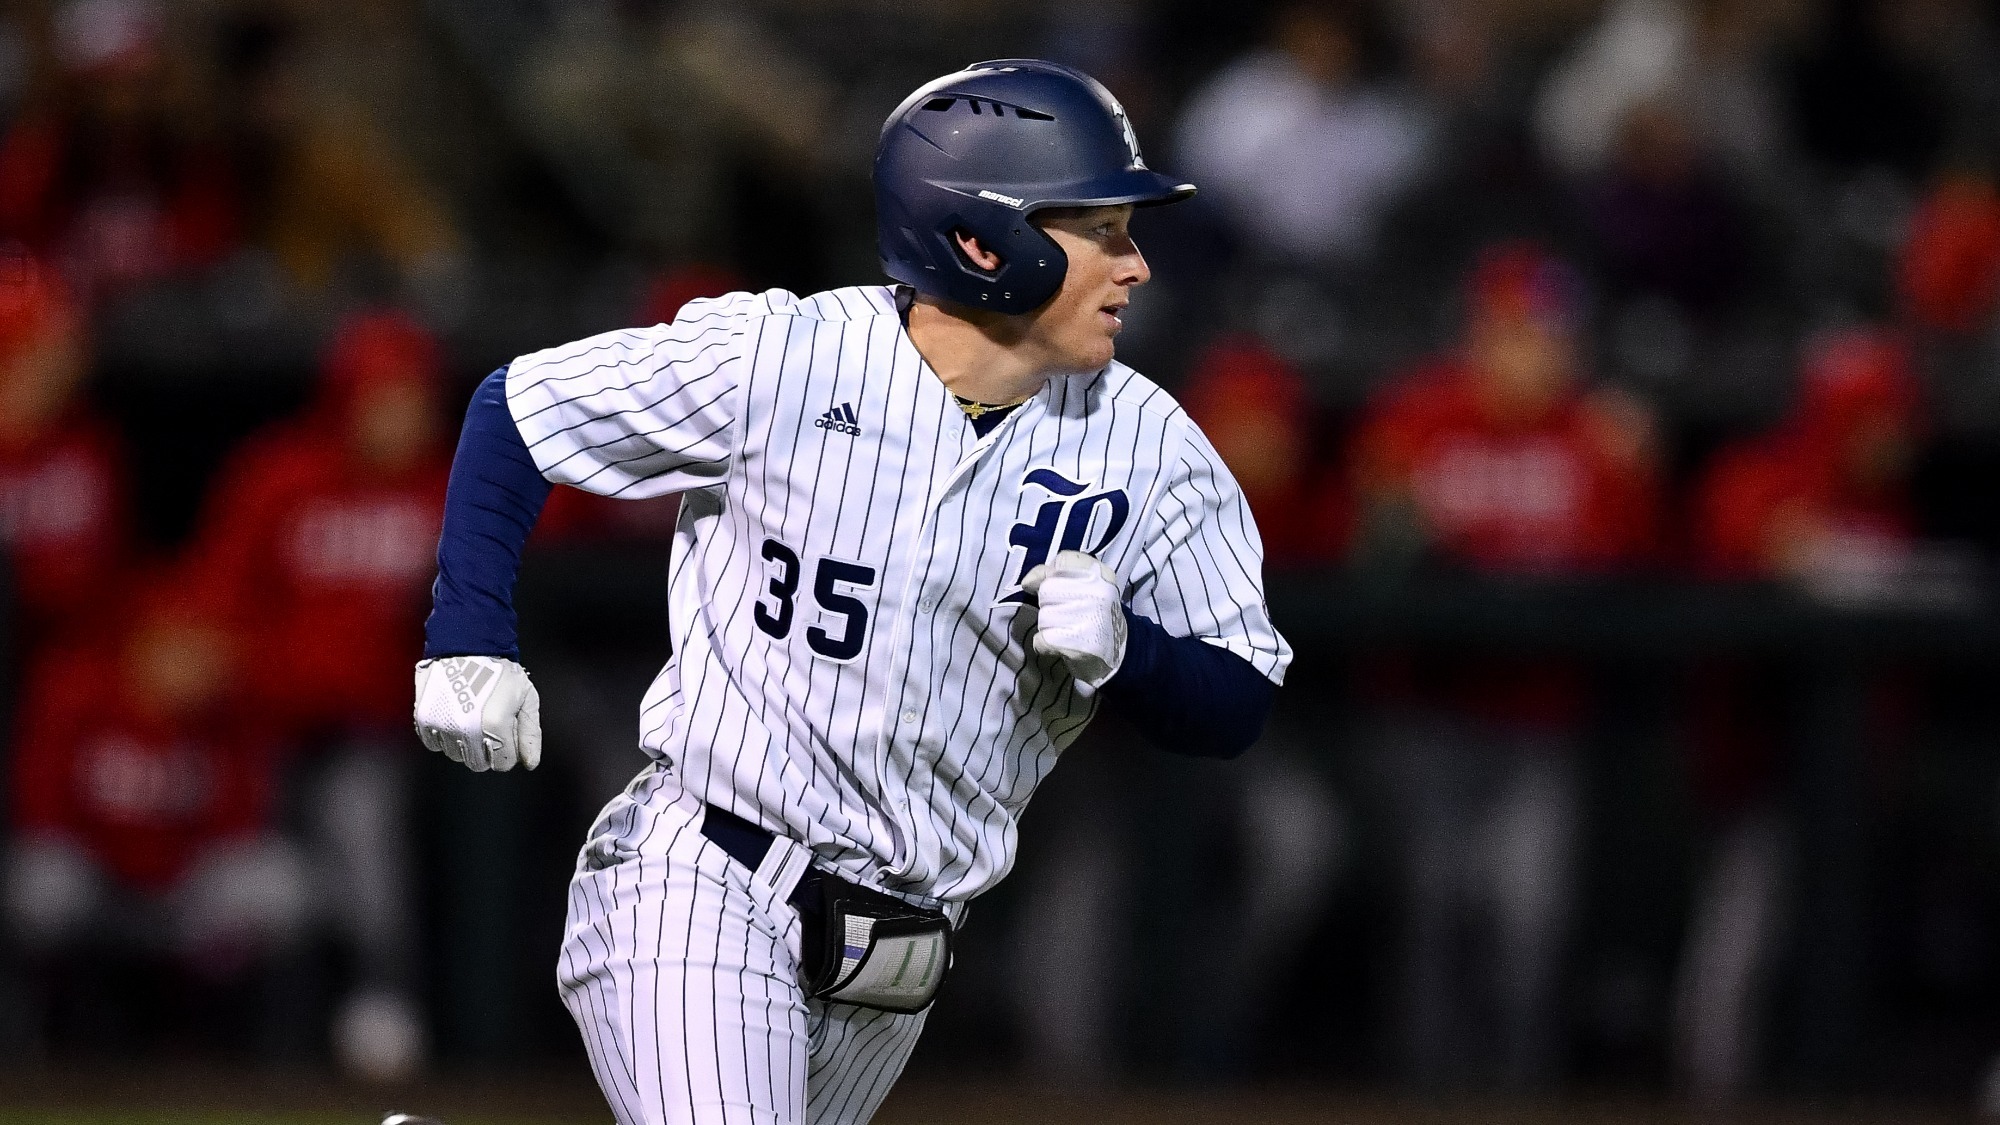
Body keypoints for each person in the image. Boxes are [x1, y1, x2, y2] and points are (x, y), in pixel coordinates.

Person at [413, 60, 1289, 1124]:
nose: (1134, 265)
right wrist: (468, 635)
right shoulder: (784, 355)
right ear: (982, 239)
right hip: (704, 880)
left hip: (895, 958)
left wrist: (1133, 654)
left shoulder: (1152, 447)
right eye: (1099, 229)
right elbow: (522, 408)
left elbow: (1237, 696)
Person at [1346, 242, 1660, 1091]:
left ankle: (1519, 1096)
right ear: (1484, 333)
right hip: (1430, 712)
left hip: (1538, 718)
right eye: (1526, 331)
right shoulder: (1416, 417)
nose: (1548, 349)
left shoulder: (1598, 432)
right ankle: (1422, 1093)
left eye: (1557, 333)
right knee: (1432, 913)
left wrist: (1635, 478)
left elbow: (1628, 566)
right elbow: (1376, 548)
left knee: (1532, 920)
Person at [187, 309, 448, 1079]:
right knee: (254, 869)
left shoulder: (447, 484)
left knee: (363, 825)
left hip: (382, 733)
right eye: (385, 396)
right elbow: (214, 607)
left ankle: (383, 992)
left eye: (413, 397)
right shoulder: (278, 475)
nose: (401, 414)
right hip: (259, 729)